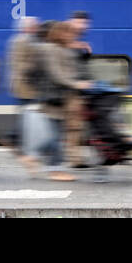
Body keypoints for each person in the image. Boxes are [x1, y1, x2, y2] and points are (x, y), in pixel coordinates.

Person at [28, 21, 92, 181]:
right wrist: (76, 83)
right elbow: (56, 74)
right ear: (59, 34)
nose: (72, 36)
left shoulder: (63, 49)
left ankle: (34, 157)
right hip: (53, 99)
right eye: (68, 33)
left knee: (56, 134)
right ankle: (56, 171)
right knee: (55, 135)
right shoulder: (51, 49)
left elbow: (70, 69)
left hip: (62, 98)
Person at [4, 16, 40, 152]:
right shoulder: (23, 41)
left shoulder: (21, 40)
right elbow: (21, 64)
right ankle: (13, 138)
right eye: (34, 26)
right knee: (28, 113)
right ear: (27, 27)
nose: (36, 28)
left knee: (26, 113)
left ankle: (16, 139)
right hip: (25, 85)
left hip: (23, 84)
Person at [63, 11, 93, 167]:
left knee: (76, 125)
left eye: (86, 23)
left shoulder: (75, 39)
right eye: (81, 23)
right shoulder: (66, 36)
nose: (84, 26)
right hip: (70, 90)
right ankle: (73, 159)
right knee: (74, 125)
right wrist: (79, 46)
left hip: (77, 89)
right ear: (72, 21)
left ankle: (74, 157)